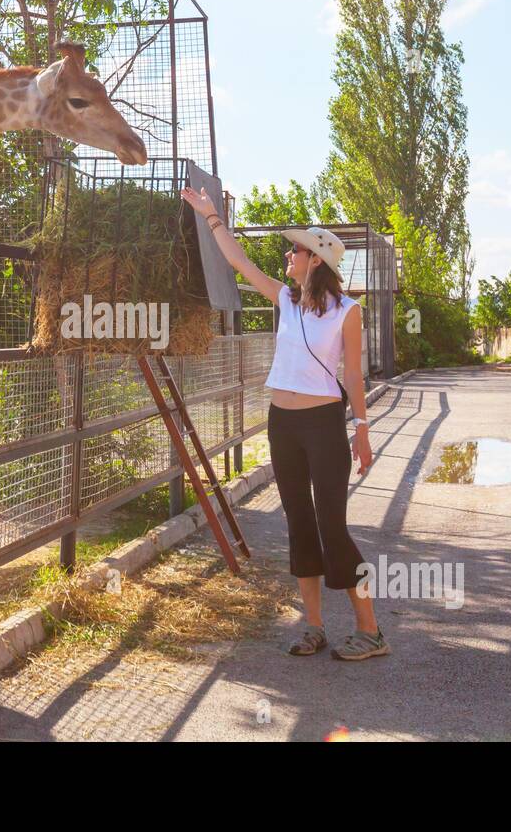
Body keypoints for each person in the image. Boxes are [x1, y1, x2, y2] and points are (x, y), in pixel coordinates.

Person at [180, 186, 388, 662]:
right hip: (283, 423)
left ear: (315, 260)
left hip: (323, 424)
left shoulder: (348, 312)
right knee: (299, 522)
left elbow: (352, 373)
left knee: (331, 525)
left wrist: (361, 429)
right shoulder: (287, 300)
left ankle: (371, 630)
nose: (287, 254)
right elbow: (239, 263)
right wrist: (212, 216)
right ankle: (313, 626)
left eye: (295, 249)